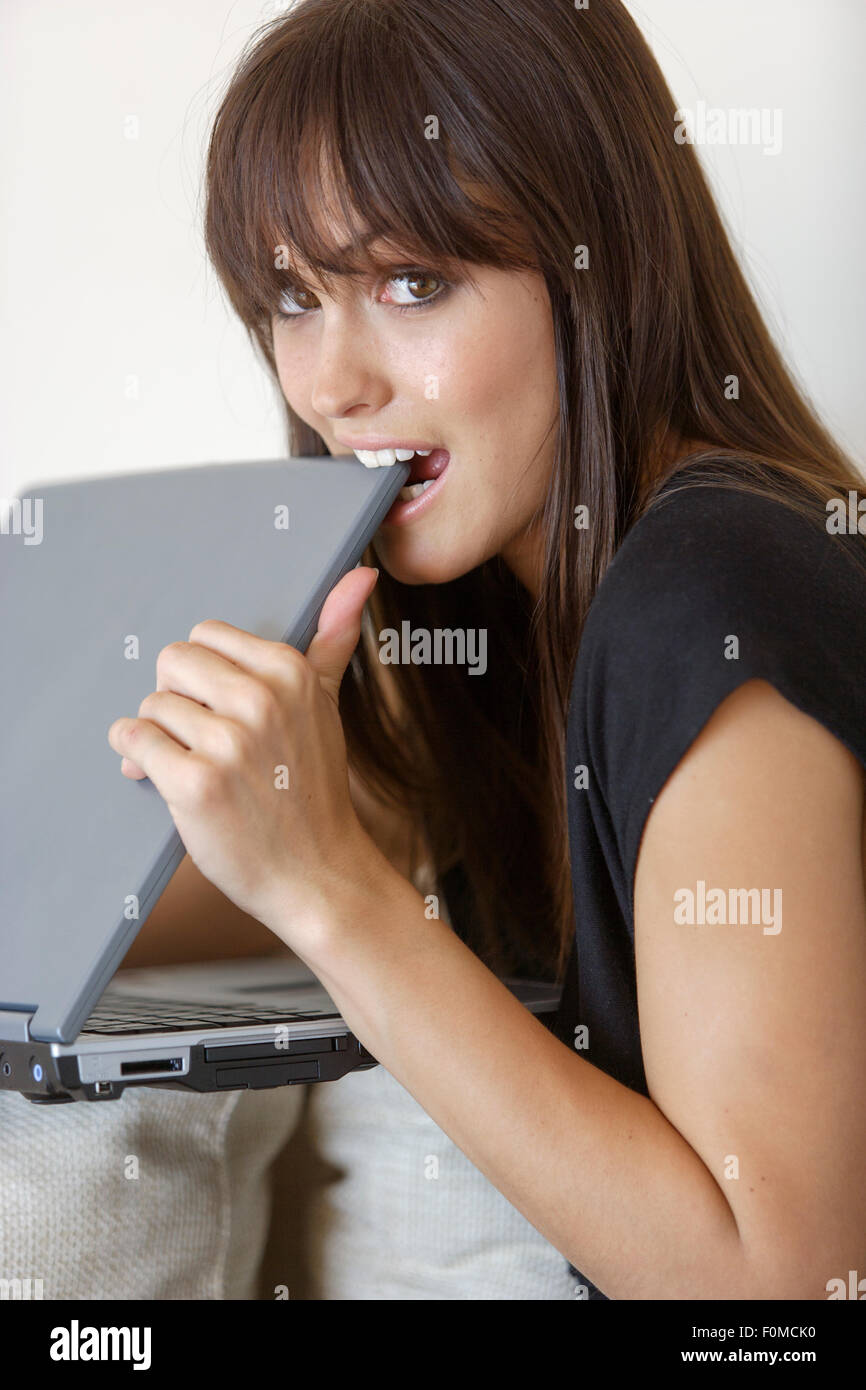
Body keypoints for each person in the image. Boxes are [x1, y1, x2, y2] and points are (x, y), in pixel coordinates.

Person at [108, 0, 866, 1300]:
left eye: (411, 283)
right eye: (291, 296)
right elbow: (212, 887)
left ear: (598, 262)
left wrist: (337, 895)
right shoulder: (502, 612)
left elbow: (776, 1285)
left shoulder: (707, 590)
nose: (332, 381)